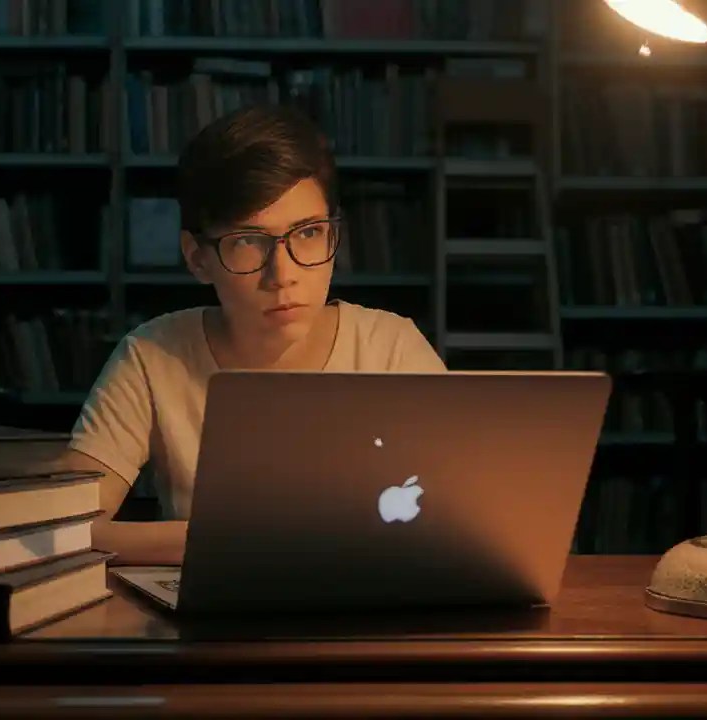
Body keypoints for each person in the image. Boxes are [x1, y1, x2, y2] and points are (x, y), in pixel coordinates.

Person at [63, 104, 447, 566]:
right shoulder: (152, 356)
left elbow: (465, 519)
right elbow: (60, 529)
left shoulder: (391, 348)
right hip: (214, 626)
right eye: (247, 241)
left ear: (333, 235)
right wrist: (230, 543)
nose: (282, 275)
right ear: (197, 257)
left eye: (307, 233)